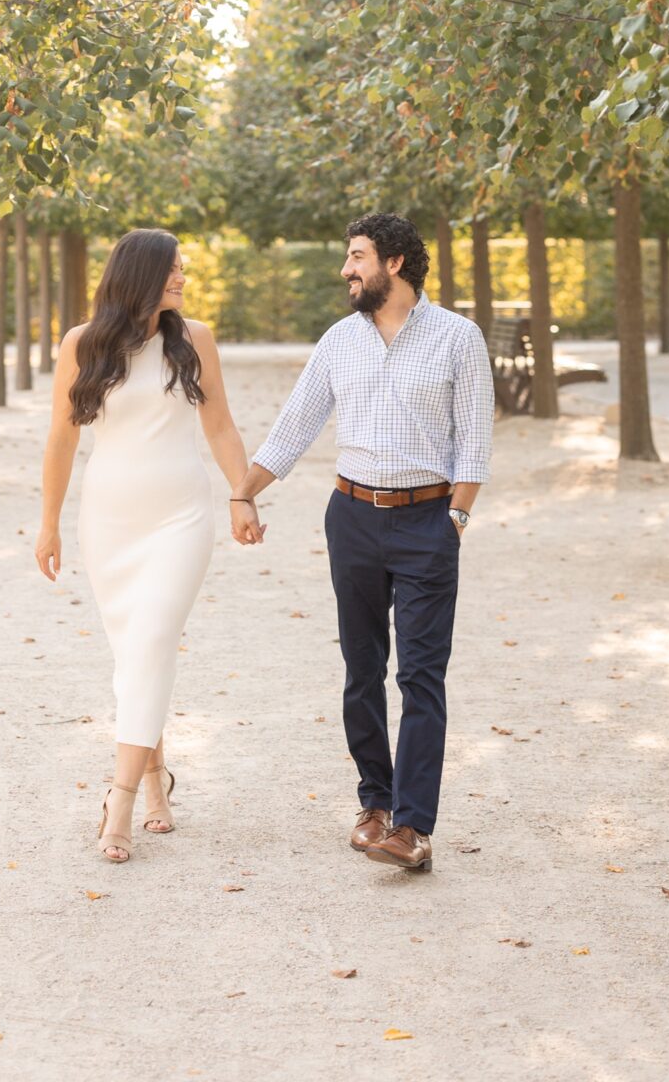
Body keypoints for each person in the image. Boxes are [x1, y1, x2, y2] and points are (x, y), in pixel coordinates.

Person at [230, 212, 493, 872]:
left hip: (427, 522)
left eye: (357, 256)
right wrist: (243, 492)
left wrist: (452, 525)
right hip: (350, 518)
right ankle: (373, 804)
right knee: (361, 671)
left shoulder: (458, 339)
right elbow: (292, 430)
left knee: (420, 676)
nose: (346, 269)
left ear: (393, 264)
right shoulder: (337, 343)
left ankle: (411, 826)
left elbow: (474, 446)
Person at [35, 227, 259, 863]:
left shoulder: (194, 340)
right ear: (138, 276)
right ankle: (158, 780)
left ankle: (121, 798)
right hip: (108, 522)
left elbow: (219, 425)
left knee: (153, 637)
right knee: (136, 654)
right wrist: (48, 522)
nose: (182, 280)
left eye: (183, 270)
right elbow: (60, 438)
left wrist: (241, 494)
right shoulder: (83, 344)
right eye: (172, 271)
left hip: (181, 518)